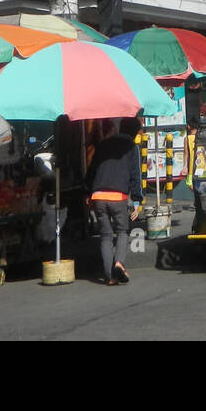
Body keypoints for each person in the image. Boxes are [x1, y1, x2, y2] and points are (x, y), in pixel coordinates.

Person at [85, 117, 144, 285]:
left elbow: (91, 171)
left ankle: (109, 276)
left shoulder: (103, 145)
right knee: (122, 231)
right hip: (118, 196)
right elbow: (136, 176)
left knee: (105, 236)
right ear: (134, 133)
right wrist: (137, 201)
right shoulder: (132, 148)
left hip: (98, 196)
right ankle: (119, 263)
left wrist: (88, 192)